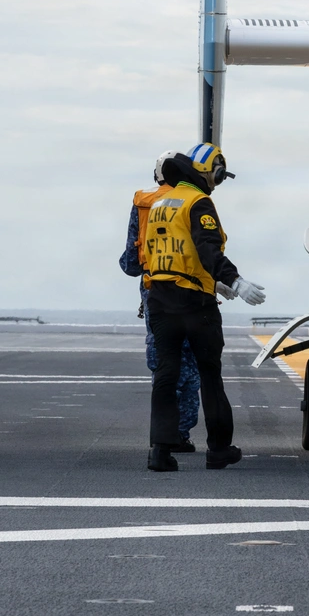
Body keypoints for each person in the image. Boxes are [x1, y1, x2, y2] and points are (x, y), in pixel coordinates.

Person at [142, 142, 266, 472]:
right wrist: (234, 281)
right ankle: (219, 449)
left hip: (160, 299)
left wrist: (217, 281)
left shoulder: (159, 204)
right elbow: (207, 248)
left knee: (166, 375)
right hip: (196, 304)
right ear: (210, 172)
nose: (218, 182)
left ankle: (160, 451)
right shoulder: (199, 202)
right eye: (219, 176)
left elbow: (168, 251)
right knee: (210, 375)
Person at [119, 150, 201, 450]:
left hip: (155, 292)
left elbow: (130, 262)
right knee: (192, 366)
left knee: (164, 368)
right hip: (192, 294)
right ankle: (182, 434)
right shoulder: (194, 201)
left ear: (158, 175)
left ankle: (162, 439)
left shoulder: (144, 203)